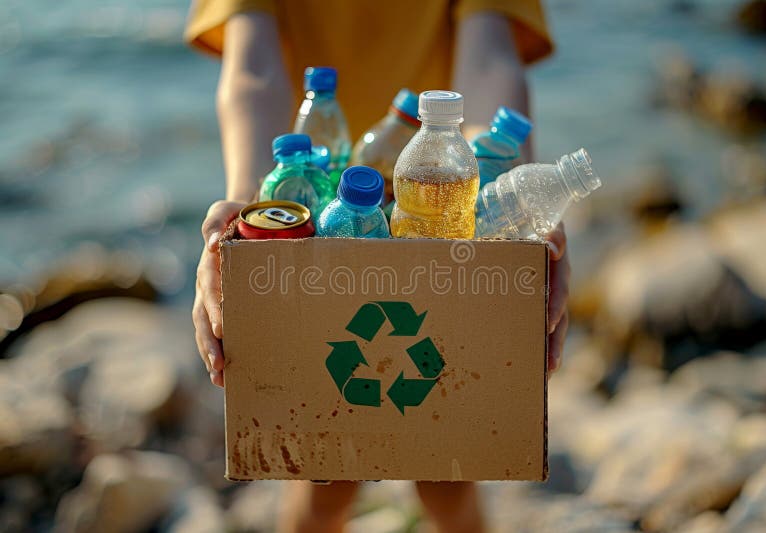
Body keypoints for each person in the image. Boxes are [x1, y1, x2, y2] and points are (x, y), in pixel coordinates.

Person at [186, 2, 568, 532]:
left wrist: (514, 201)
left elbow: (488, 65)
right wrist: (244, 213)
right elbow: (253, 68)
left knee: (449, 474)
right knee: (321, 475)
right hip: (322, 227)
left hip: (437, 215)